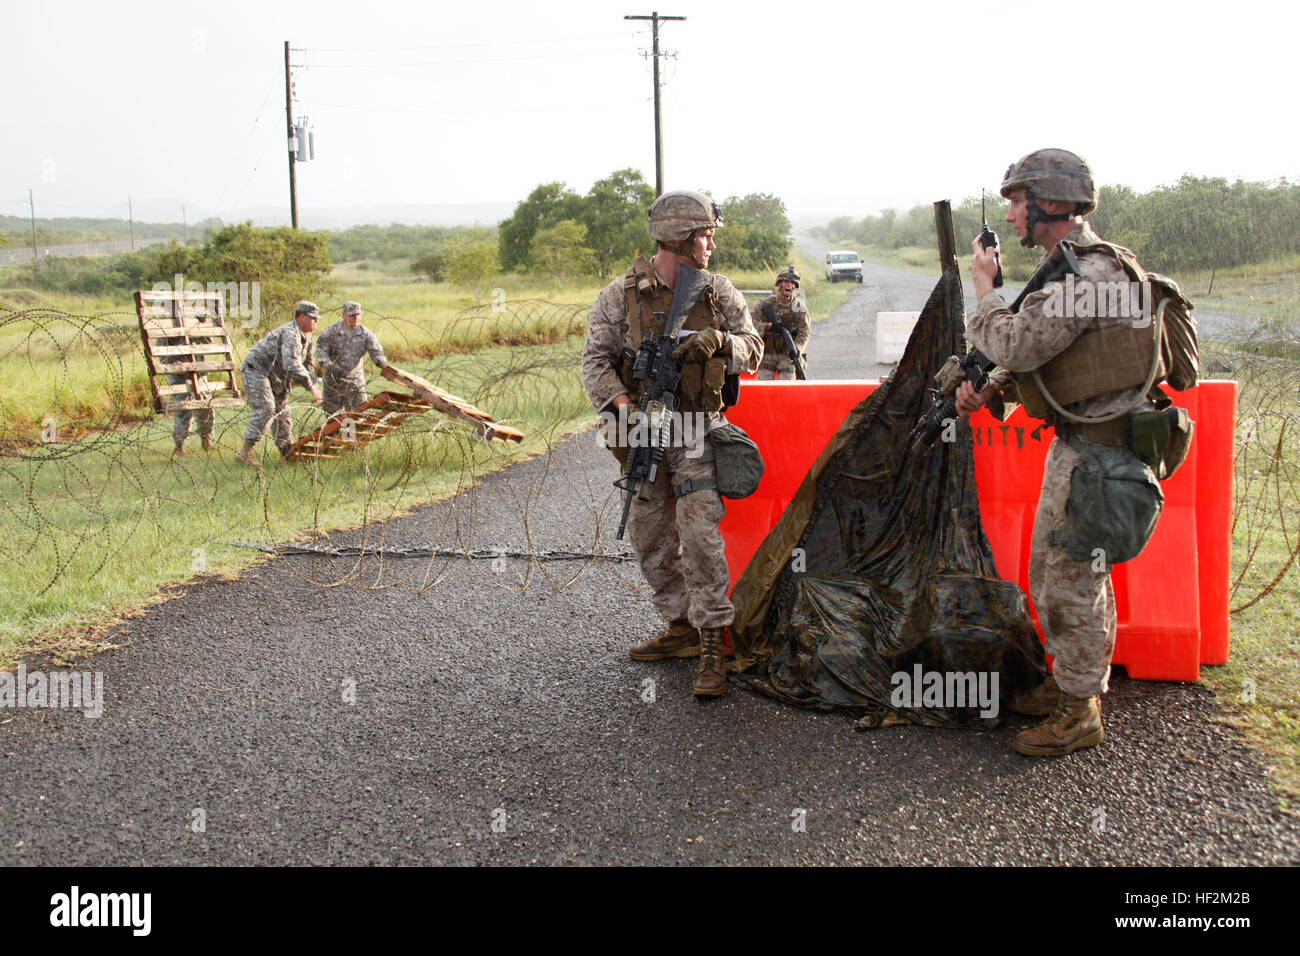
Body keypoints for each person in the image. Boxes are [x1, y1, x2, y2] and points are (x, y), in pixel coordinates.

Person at [958, 148, 1163, 757]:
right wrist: (992, 387)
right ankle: (1072, 686)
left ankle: (1080, 712)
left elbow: (1019, 343)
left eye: (1019, 203)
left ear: (1050, 202)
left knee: (1073, 580)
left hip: (1099, 460)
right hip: (1082, 450)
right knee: (1056, 575)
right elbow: (1056, 361)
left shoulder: (1089, 275)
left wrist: (985, 289)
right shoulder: (1069, 268)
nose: (1013, 215)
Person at [582, 190, 763, 697]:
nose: (711, 243)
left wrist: (722, 342)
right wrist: (626, 408)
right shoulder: (621, 295)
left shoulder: (717, 291)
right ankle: (680, 626)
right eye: (704, 234)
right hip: (642, 427)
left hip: (696, 428)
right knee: (648, 533)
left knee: (699, 531)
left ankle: (711, 640)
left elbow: (754, 349)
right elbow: (595, 361)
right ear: (680, 238)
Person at [236, 301, 323, 465]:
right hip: (257, 370)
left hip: (276, 377)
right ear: (301, 316)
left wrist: (314, 384)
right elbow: (291, 364)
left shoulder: (307, 338)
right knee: (266, 408)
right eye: (312, 318)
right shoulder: (291, 334)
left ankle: (286, 453)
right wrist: (311, 388)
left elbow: (308, 366)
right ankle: (244, 453)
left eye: (317, 319)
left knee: (282, 413)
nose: (316, 322)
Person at [316, 301, 389, 418]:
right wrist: (332, 368)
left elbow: (376, 352)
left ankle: (352, 436)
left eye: (358, 315)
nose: (356, 318)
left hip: (355, 384)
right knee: (333, 422)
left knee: (359, 419)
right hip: (333, 385)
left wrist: (382, 363)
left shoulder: (365, 334)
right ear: (343, 314)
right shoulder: (330, 333)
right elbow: (321, 356)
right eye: (352, 315)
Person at [752, 265, 810, 380]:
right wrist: (767, 327)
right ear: (779, 284)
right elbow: (750, 323)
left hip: (787, 355)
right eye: (786, 281)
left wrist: (796, 348)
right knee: (764, 385)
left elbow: (805, 332)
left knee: (787, 386)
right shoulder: (764, 304)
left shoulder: (799, 308)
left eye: (793, 283)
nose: (789, 285)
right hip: (768, 354)